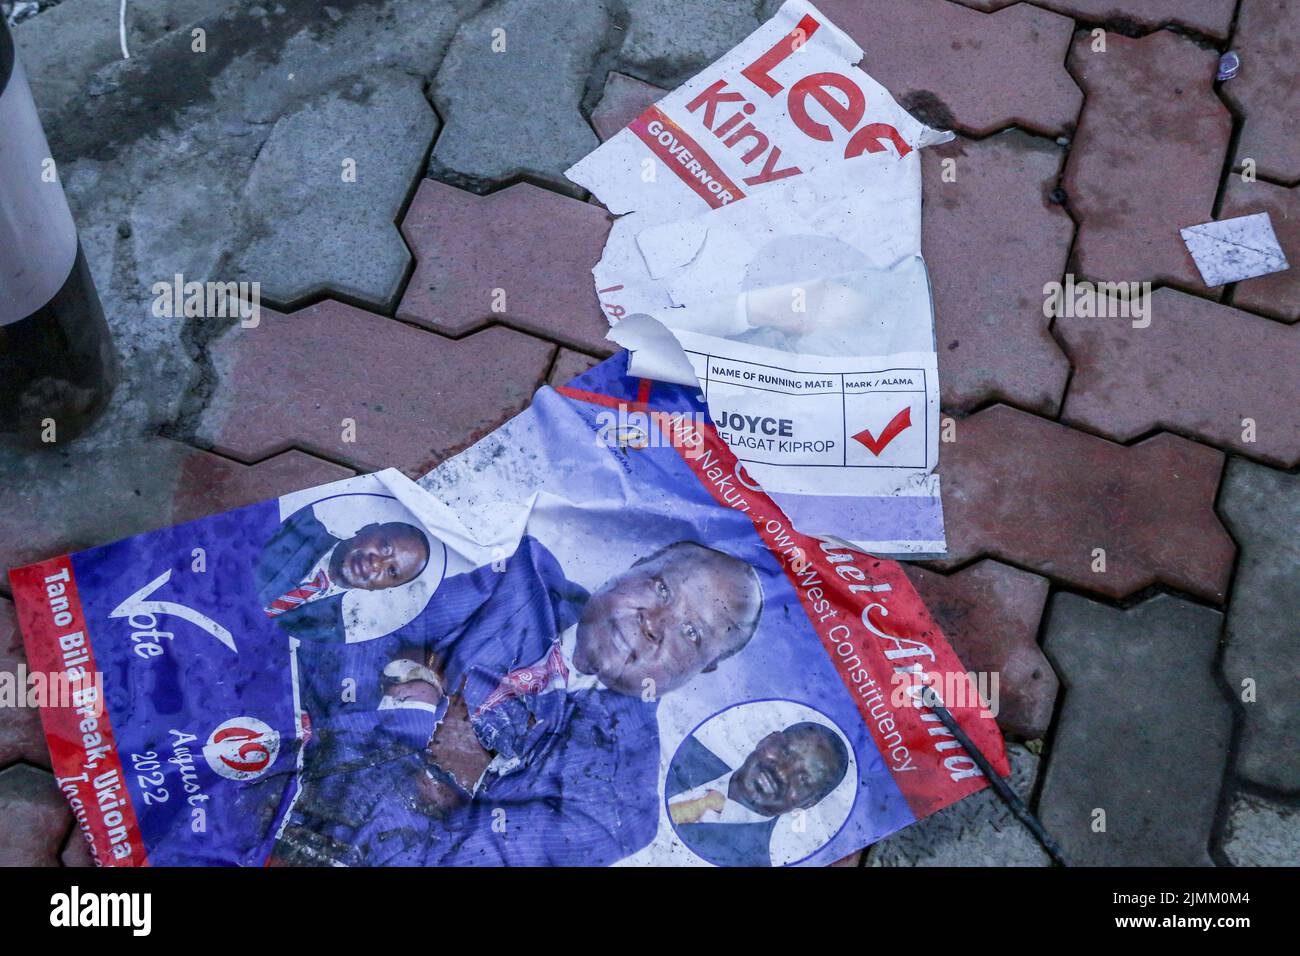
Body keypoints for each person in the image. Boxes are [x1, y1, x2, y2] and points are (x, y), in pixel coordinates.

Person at [274, 537, 764, 866]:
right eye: (661, 588)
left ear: (706, 670)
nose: (655, 621)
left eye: (692, 632)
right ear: (633, 566)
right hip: (274, 734)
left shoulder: (621, 805)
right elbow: (356, 635)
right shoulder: (510, 571)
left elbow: (455, 859)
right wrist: (412, 716)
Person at [666, 721, 849, 867]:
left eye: (803, 779)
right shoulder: (670, 747)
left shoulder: (751, 861)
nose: (782, 773)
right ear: (768, 739)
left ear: (809, 803)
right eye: (786, 753)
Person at [252, 505, 431, 642]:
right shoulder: (294, 520)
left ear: (384, 588)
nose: (376, 563)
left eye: (392, 571)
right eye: (385, 547)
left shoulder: (328, 637)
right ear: (367, 528)